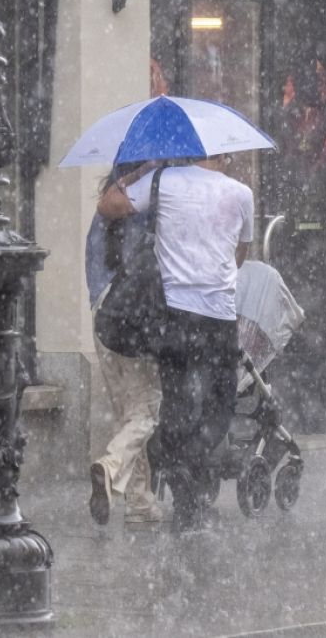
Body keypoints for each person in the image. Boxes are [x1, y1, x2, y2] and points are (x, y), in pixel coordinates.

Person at [98, 155, 254, 532]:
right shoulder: (241, 193)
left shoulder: (163, 181)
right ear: (225, 154)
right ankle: (191, 470)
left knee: (178, 402)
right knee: (220, 402)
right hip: (217, 314)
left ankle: (181, 476)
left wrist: (137, 175)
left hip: (174, 315)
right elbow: (241, 252)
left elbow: (108, 206)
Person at [87, 160, 166, 526]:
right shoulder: (146, 210)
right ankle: (110, 465)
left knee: (127, 412)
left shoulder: (103, 212)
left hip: (101, 317)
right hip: (133, 316)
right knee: (146, 410)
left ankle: (139, 502)